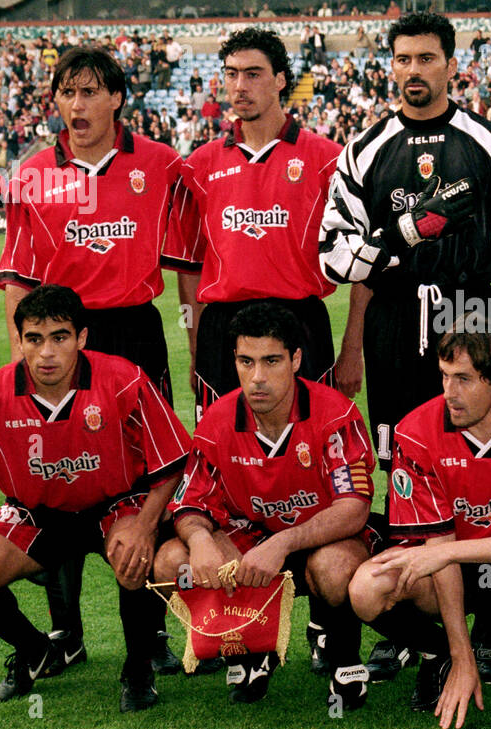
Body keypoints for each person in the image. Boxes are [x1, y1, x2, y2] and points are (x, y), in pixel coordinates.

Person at [320, 10, 491, 681]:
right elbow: (335, 253)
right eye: (402, 60)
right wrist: (401, 236)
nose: (413, 71)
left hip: (474, 311)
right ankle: (408, 614)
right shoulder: (363, 148)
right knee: (402, 468)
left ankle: (483, 628)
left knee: (481, 469)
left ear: (452, 64)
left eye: (426, 59)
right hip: (398, 317)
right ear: (389, 66)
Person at [0, 44, 186, 677]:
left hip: (134, 330)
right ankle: (64, 632)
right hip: (60, 338)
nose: (76, 105)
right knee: (60, 483)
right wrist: (21, 365)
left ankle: (151, 634)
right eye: (67, 92)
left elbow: (191, 253)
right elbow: (18, 281)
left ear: (117, 97)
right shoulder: (32, 174)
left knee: (146, 480)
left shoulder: (158, 163)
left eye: (89, 91)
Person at [0, 285, 191, 711]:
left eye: (59, 337)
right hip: (37, 513)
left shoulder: (121, 380)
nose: (46, 353)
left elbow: (170, 460)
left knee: (136, 559)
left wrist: (145, 524)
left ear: (81, 337)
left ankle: (137, 670)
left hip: (113, 505)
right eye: (34, 338)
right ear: (19, 338)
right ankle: (36, 650)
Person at [347, 322, 491, 727]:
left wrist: (449, 551)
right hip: (445, 572)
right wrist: (461, 655)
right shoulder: (416, 432)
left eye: (464, 379)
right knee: (367, 588)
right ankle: (439, 654)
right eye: (444, 375)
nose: (449, 392)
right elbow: (438, 543)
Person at [153, 303, 376, 707]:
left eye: (271, 361)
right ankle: (250, 650)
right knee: (172, 560)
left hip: (320, 537)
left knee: (334, 566)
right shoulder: (217, 420)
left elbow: (354, 507)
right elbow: (189, 504)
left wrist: (286, 542)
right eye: (245, 361)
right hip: (252, 539)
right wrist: (201, 538)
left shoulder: (334, 414)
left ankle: (345, 663)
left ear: (295, 360)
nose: (257, 378)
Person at [165, 27, 355, 419]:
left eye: (253, 74)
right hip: (223, 329)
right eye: (231, 74)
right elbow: (189, 270)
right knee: (224, 453)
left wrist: (354, 348)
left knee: (308, 449)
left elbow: (364, 262)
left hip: (300, 321)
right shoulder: (199, 165)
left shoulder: (329, 160)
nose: (239, 85)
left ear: (281, 79)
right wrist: (195, 343)